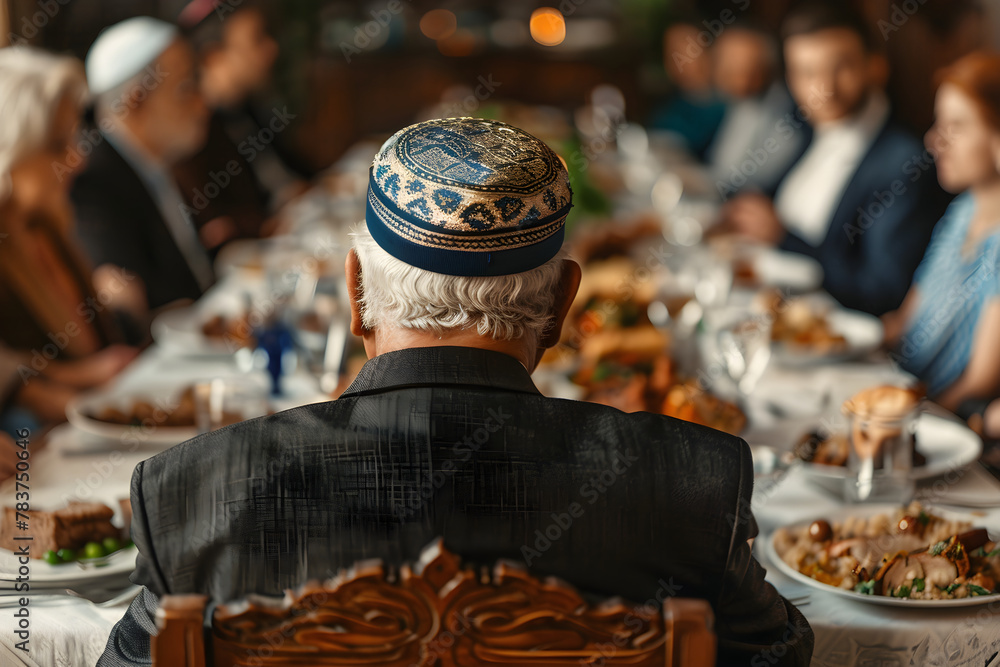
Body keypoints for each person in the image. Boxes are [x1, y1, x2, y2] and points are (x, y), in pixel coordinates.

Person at [97, 117, 812, 667]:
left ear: (355, 293)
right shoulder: (688, 485)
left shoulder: (190, 493)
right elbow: (778, 650)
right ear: (563, 303)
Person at [719, 2, 948, 316]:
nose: (823, 89)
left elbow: (882, 290)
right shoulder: (812, 130)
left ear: (876, 66)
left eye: (841, 67)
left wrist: (784, 238)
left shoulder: (904, 163)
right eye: (806, 72)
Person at [0, 48, 139, 428]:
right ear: (8, 151)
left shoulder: (47, 224)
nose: (78, 158)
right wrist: (79, 378)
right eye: (57, 145)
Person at [882, 52, 1000, 412]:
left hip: (947, 423)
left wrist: (911, 421)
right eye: (938, 124)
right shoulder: (962, 210)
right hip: (902, 388)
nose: (935, 141)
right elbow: (904, 321)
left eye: (957, 127)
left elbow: (978, 382)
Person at [70, 17, 214, 311]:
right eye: (186, 87)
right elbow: (148, 308)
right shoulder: (95, 183)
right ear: (136, 100)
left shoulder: (155, 157)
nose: (202, 102)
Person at [173, 0, 306, 250]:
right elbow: (218, 230)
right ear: (214, 57)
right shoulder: (194, 137)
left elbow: (296, 173)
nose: (271, 49)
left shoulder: (250, 107)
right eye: (256, 40)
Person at [708, 23, 806, 195]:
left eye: (739, 66)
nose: (726, 73)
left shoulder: (787, 117)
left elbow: (754, 186)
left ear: (768, 68)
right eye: (724, 62)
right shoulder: (738, 102)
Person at [648, 19, 727, 160]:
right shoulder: (670, 103)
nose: (677, 57)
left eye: (686, 48)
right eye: (670, 50)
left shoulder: (727, 106)